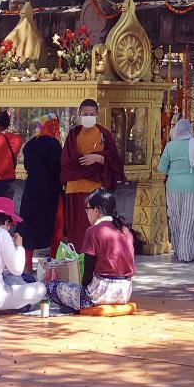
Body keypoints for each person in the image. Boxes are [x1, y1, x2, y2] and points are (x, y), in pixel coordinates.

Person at [60, 95, 124, 250]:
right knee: (77, 229)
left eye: (91, 114)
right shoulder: (73, 135)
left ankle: (95, 259)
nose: (88, 117)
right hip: (75, 188)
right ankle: (78, 260)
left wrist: (98, 158)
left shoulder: (104, 134)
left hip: (95, 190)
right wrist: (83, 163)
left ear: (96, 115)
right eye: (85, 114)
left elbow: (115, 160)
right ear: (79, 114)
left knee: (95, 229)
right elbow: (66, 161)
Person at [159, 115, 194, 262]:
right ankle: (185, 254)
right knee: (189, 220)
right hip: (192, 186)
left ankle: (178, 251)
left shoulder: (170, 146)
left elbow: (162, 168)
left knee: (176, 219)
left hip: (172, 187)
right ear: (190, 130)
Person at [19, 116, 63, 276]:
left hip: (31, 190)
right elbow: (57, 168)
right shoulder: (54, 145)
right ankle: (53, 266)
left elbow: (27, 166)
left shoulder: (30, 145)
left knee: (29, 227)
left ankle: (27, 265)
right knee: (55, 227)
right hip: (51, 191)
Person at [82, 191, 136, 306]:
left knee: (52, 287)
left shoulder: (93, 231)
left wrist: (82, 293)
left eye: (88, 210)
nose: (87, 213)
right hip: (125, 293)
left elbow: (88, 271)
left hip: (101, 293)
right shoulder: (126, 230)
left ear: (96, 211)